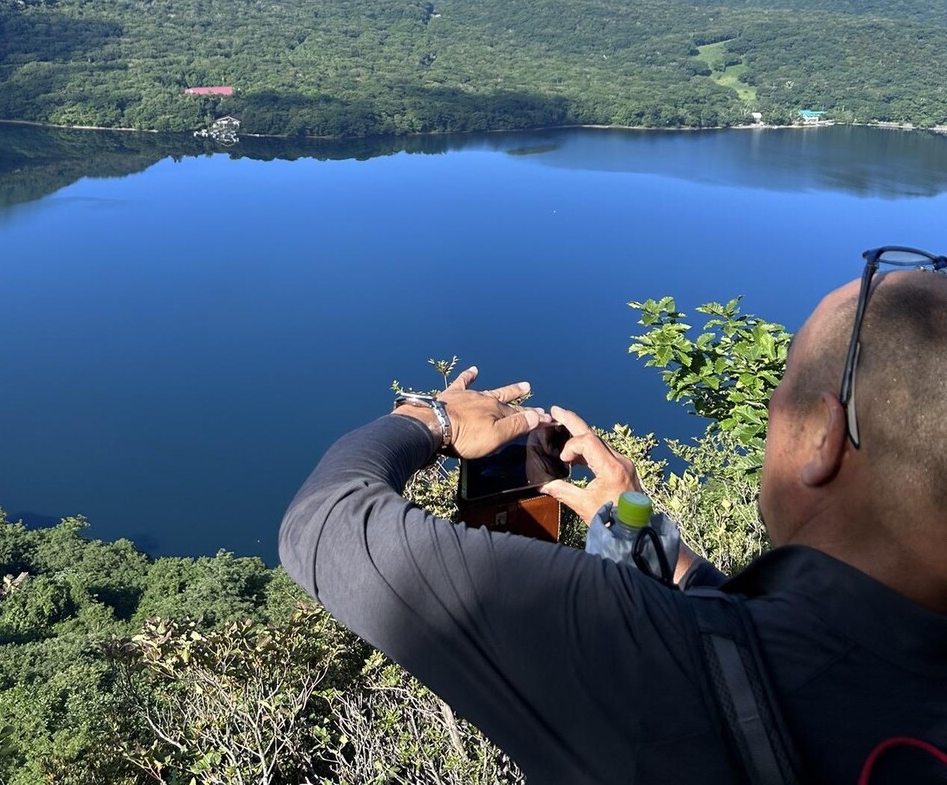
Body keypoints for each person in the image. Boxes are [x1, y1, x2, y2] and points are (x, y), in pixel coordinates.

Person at [279, 251, 947, 782]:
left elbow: (322, 525)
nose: (772, 413)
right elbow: (774, 645)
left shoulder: (635, 647)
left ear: (824, 439)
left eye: (780, 394)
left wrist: (432, 417)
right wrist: (635, 526)